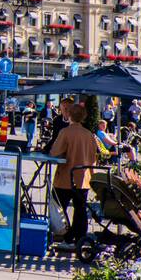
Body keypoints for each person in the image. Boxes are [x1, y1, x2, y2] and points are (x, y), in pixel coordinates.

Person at [49, 101, 99, 251]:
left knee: (58, 208)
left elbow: (54, 153)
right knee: (80, 210)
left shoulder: (65, 132)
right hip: (82, 178)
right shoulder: (89, 134)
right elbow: (93, 157)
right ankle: (78, 238)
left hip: (65, 177)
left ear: (69, 115)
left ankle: (62, 235)